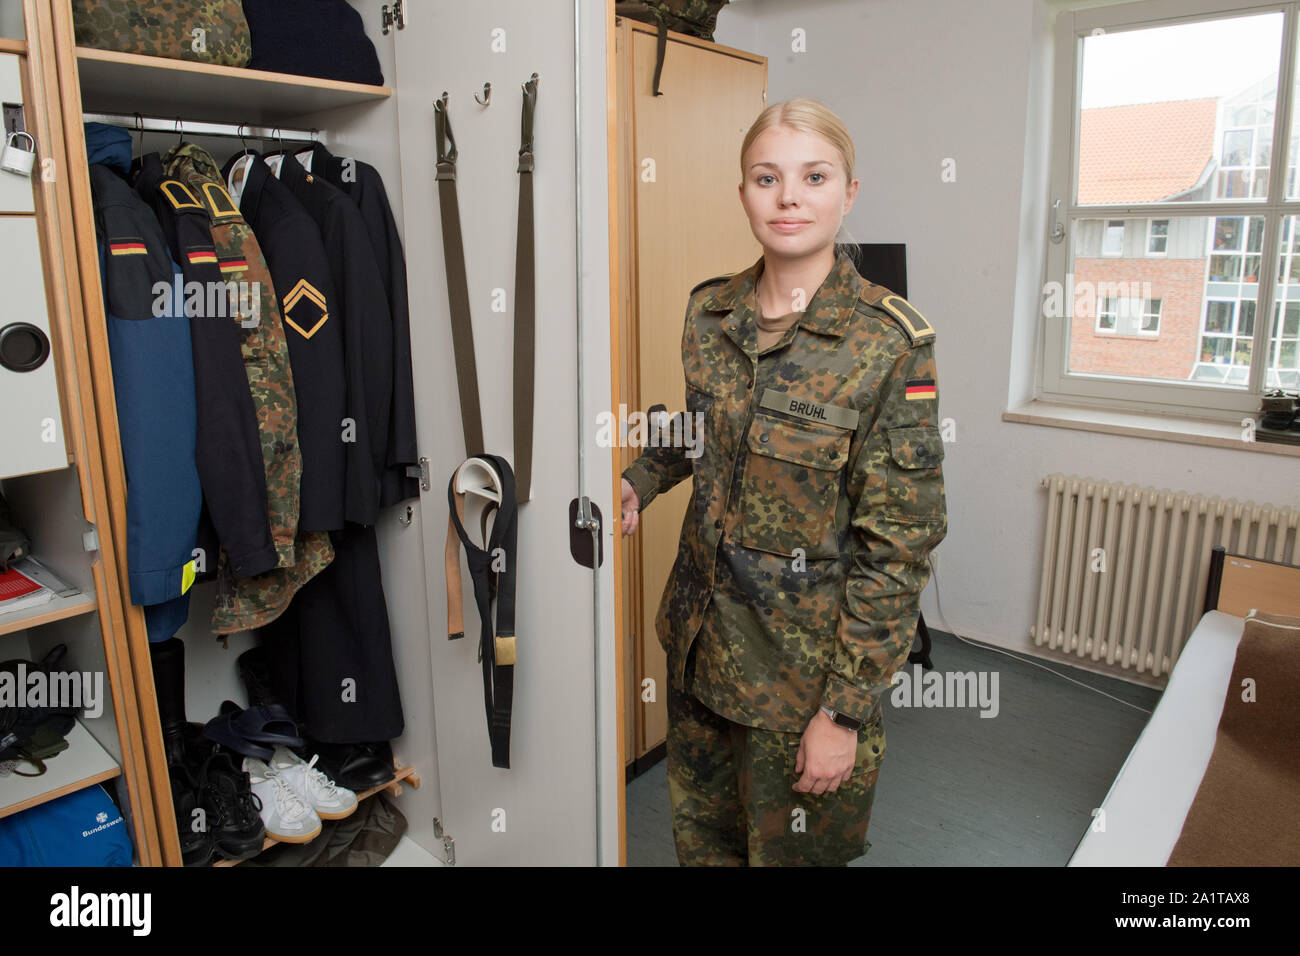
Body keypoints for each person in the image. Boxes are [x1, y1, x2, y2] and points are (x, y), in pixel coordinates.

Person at [619, 97, 948, 866]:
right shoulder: (711, 313)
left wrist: (843, 711)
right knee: (704, 849)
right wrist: (639, 477)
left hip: (800, 687)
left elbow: (898, 546)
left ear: (849, 192)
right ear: (743, 194)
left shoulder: (889, 343)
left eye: (814, 176)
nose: (789, 197)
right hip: (700, 651)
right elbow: (703, 429)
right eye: (767, 177)